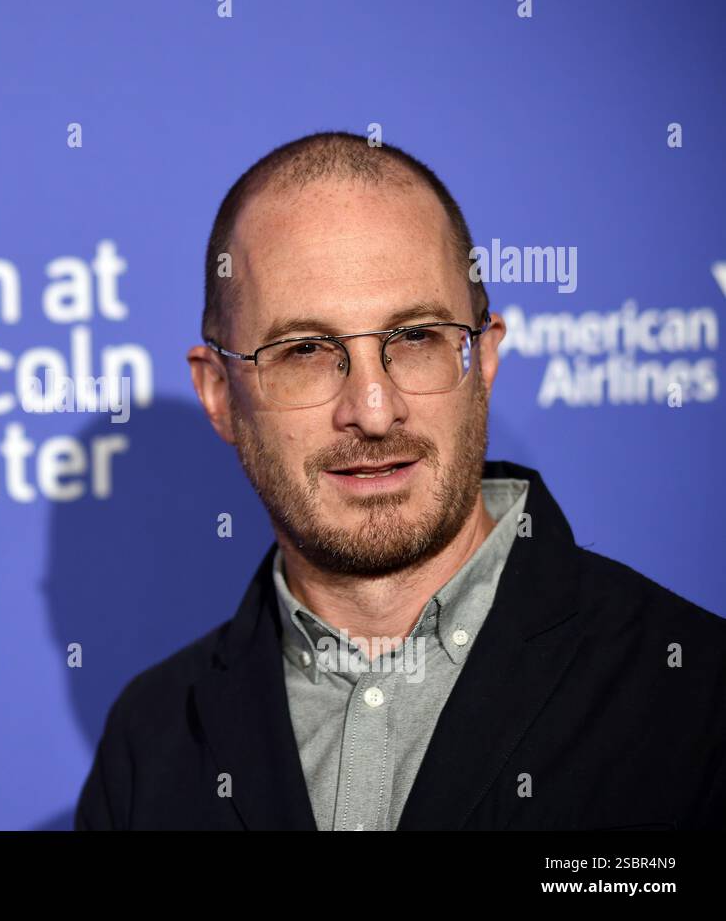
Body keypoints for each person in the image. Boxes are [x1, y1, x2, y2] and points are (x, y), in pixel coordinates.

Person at [74, 131, 726, 830]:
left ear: (485, 359)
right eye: (305, 351)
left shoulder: (694, 693)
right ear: (219, 394)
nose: (373, 410)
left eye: (415, 337)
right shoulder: (150, 743)